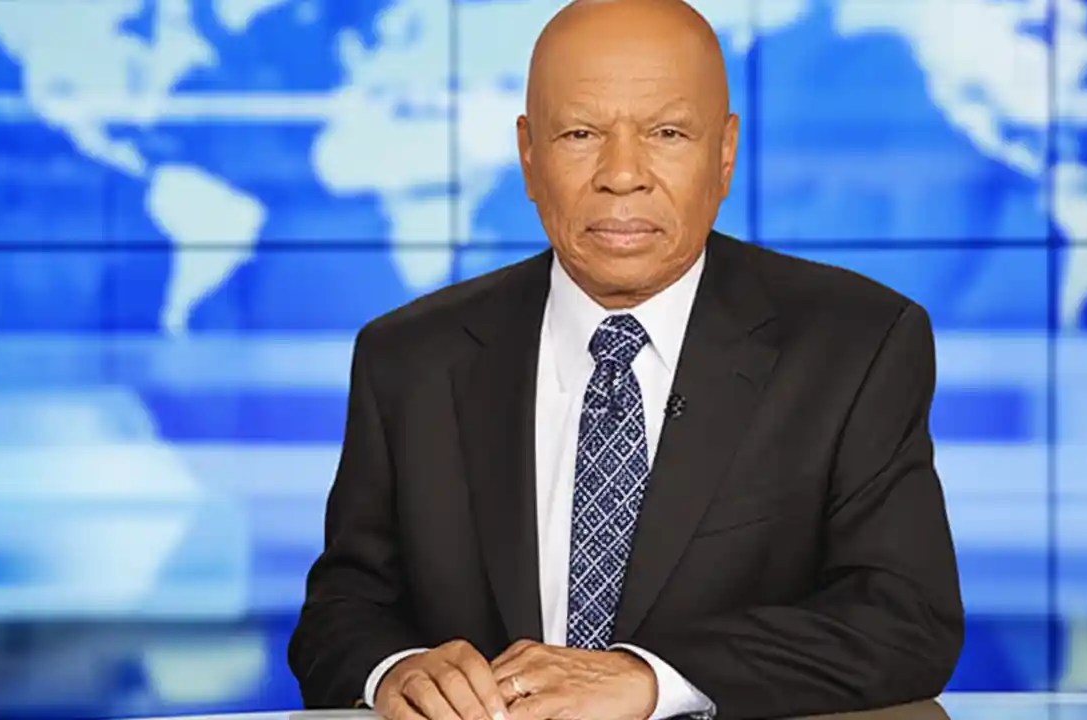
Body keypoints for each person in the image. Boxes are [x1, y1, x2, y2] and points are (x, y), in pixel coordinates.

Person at [287, 0, 965, 718]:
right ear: (527, 154)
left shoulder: (855, 345)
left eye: (667, 133)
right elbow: (341, 613)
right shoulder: (408, 359)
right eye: (580, 133)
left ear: (725, 153)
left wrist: (651, 680)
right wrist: (394, 670)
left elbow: (905, 620)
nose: (621, 175)